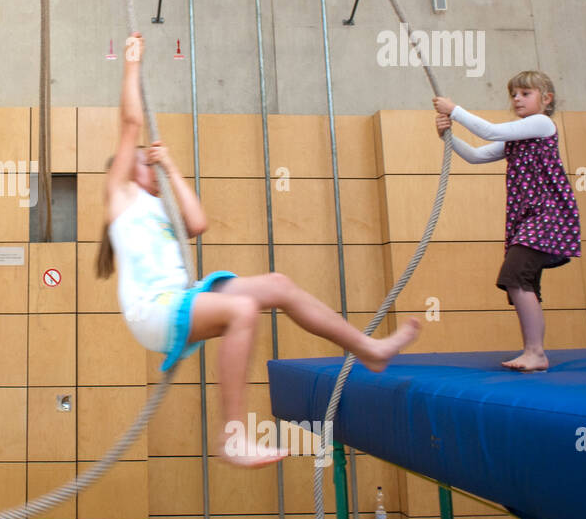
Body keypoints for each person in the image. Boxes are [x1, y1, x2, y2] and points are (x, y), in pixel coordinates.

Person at [99, 33, 420, 467]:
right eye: (144, 160)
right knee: (242, 311)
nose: (148, 161)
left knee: (278, 286)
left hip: (182, 298)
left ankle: (369, 350)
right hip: (153, 311)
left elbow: (197, 223)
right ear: (126, 170)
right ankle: (232, 436)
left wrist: (170, 166)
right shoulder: (120, 197)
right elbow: (131, 124)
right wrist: (132, 64)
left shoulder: (156, 209)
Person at [434, 70, 580, 372]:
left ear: (546, 99)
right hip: (528, 218)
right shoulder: (518, 138)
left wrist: (455, 110)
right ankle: (533, 351)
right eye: (513, 94)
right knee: (523, 282)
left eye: (525, 94)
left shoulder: (541, 124)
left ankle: (536, 352)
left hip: (547, 215)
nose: (517, 99)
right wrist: (448, 137)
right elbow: (475, 155)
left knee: (514, 276)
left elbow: (489, 131)